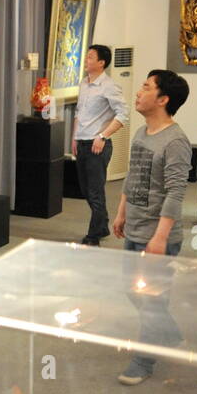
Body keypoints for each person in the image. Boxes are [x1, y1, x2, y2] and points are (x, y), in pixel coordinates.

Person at [112, 69, 192, 386]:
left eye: (146, 87)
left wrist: (160, 238)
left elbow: (175, 192)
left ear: (163, 99)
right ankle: (170, 334)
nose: (138, 92)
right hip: (134, 228)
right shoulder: (142, 133)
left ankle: (143, 361)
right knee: (132, 291)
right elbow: (133, 178)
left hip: (158, 238)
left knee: (153, 301)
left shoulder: (177, 141)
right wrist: (121, 214)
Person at [72, 44, 128, 245]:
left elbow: (123, 114)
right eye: (86, 57)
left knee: (95, 191)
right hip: (82, 142)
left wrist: (103, 136)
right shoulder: (84, 84)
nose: (86, 60)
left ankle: (93, 235)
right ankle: (102, 224)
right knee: (85, 189)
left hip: (98, 145)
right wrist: (74, 137)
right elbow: (79, 113)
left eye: (90, 57)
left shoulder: (109, 86)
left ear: (101, 63)